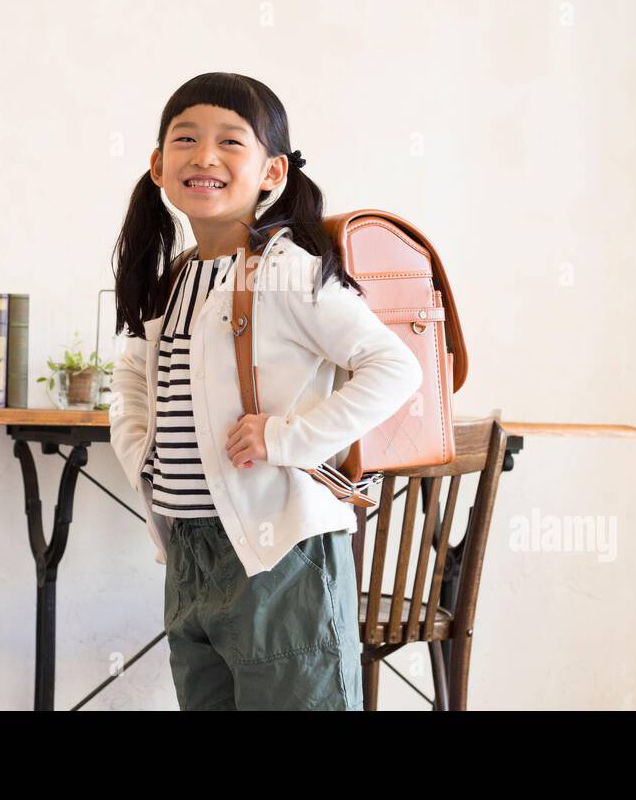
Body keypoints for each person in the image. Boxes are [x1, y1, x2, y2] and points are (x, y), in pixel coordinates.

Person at [108, 71, 422, 710]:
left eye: (230, 141)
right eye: (186, 139)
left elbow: (394, 367)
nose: (204, 156)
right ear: (159, 165)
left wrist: (286, 439)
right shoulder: (175, 277)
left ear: (272, 172)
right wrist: (142, 451)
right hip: (191, 552)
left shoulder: (289, 272)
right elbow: (133, 376)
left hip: (281, 555)